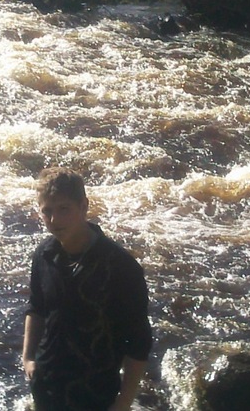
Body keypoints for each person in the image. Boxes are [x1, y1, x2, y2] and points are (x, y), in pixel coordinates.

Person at [22, 167, 153, 411]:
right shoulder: (44, 254)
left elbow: (139, 342)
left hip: (95, 393)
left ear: (83, 206)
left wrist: (123, 403)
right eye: (47, 211)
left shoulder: (120, 266)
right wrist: (28, 358)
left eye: (64, 209)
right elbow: (36, 308)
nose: (54, 220)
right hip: (47, 386)